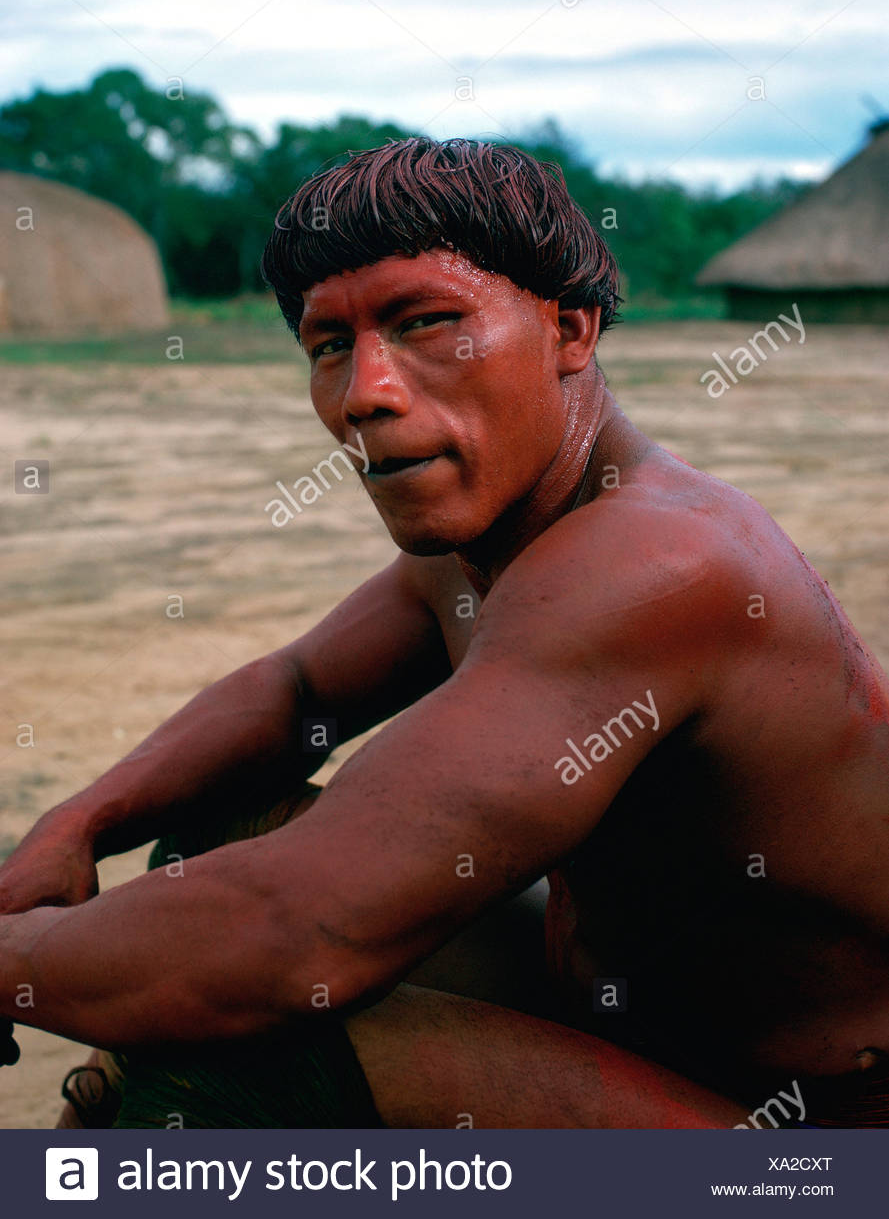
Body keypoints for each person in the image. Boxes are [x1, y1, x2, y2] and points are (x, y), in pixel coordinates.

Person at [2, 138, 889, 1130]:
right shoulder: (495, 534)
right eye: (329, 345)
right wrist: (73, 824)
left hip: (816, 1131)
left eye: (427, 323)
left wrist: (16, 966)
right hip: (635, 1018)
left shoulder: (657, 567)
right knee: (223, 834)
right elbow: (296, 691)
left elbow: (296, 934)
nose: (364, 394)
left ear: (569, 328)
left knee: (254, 1040)